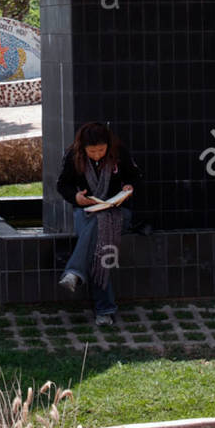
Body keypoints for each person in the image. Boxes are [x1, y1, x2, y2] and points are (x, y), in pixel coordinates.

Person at [56, 121, 140, 326]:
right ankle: (104, 311)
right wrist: (76, 197)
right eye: (92, 151)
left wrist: (129, 187)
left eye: (101, 150)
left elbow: (135, 176)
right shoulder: (73, 156)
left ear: (108, 146)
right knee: (98, 239)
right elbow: (63, 185)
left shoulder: (119, 153)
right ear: (83, 148)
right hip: (87, 210)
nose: (97, 155)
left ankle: (74, 273)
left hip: (117, 211)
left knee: (98, 228)